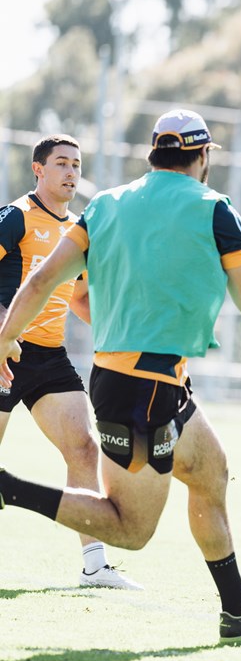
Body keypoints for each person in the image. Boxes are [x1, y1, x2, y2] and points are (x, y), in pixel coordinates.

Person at [0, 108, 241, 642]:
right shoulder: (214, 208)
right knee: (131, 528)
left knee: (210, 472)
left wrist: (6, 336)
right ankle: (9, 488)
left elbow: (43, 281)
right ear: (202, 156)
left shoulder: (105, 204)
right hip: (140, 387)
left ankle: (238, 610)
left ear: (154, 154)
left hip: (151, 379)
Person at [0, 134, 141, 589]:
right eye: (61, 163)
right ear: (38, 169)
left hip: (47, 358)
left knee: (83, 448)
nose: (71, 172)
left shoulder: (80, 229)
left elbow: (79, 296)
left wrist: (123, 332)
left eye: (77, 165)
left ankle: (94, 566)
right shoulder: (16, 217)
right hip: (4, 350)